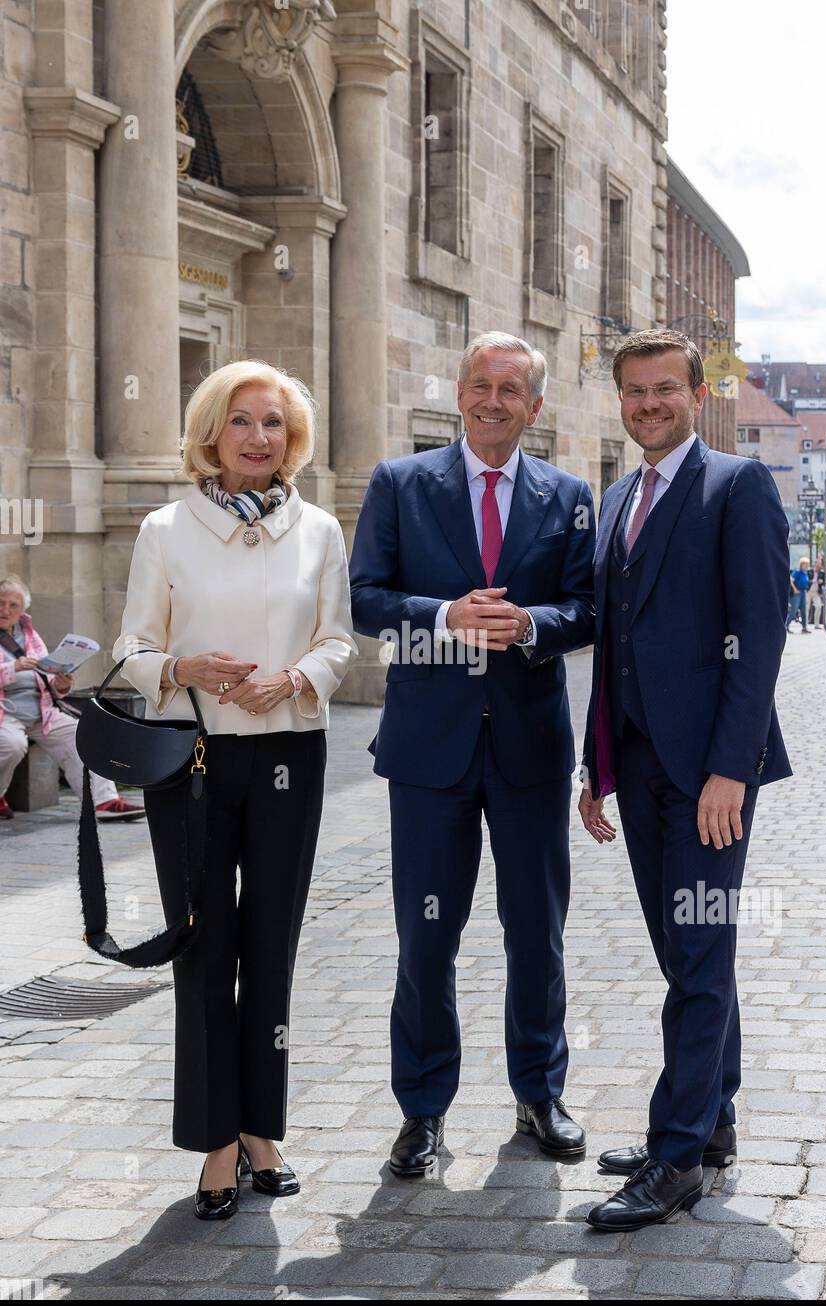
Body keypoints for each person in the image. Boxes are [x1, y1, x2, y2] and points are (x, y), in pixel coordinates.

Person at [113, 360, 356, 1219]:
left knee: (273, 948)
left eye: (276, 425)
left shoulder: (321, 529)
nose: (261, 439)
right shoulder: (164, 528)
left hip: (292, 751)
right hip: (194, 761)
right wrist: (183, 667)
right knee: (205, 950)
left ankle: (263, 1129)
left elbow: (339, 644)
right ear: (211, 431)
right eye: (244, 422)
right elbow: (131, 652)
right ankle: (216, 1139)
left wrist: (293, 678)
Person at [350, 331, 595, 1176]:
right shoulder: (400, 483)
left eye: (511, 390)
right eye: (480, 385)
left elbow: (589, 608)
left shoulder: (568, 495)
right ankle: (422, 1111)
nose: (493, 401)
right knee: (426, 939)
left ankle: (540, 1093)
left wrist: (531, 625)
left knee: (537, 933)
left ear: (534, 407)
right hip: (428, 755)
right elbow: (364, 600)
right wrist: (443, 615)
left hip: (528, 748)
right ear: (460, 393)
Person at [578, 329, 791, 1232]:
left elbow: (761, 637)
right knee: (682, 952)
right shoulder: (620, 493)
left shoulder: (737, 486)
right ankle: (713, 1123)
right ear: (620, 400)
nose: (649, 404)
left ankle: (675, 1160)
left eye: (666, 389)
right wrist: (597, 765)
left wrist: (728, 773)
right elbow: (612, 644)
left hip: (709, 777)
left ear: (697, 395)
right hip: (639, 764)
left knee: (699, 959)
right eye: (635, 392)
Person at [0, 576, 143, 823]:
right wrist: (13, 668)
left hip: (41, 712)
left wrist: (61, 684)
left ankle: (104, 801)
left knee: (82, 735)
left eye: (13, 605)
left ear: (22, 610)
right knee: (12, 744)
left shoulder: (30, 635)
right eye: (1, 603)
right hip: (6, 714)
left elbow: (48, 681)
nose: (5, 610)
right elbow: (13, 671)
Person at [786, 557, 811, 633]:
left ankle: (804, 627)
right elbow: (790, 580)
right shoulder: (797, 571)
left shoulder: (805, 572)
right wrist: (795, 589)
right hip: (797, 593)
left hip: (803, 592)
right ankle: (786, 625)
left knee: (804, 610)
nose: (807, 566)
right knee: (794, 610)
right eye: (806, 564)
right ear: (802, 564)